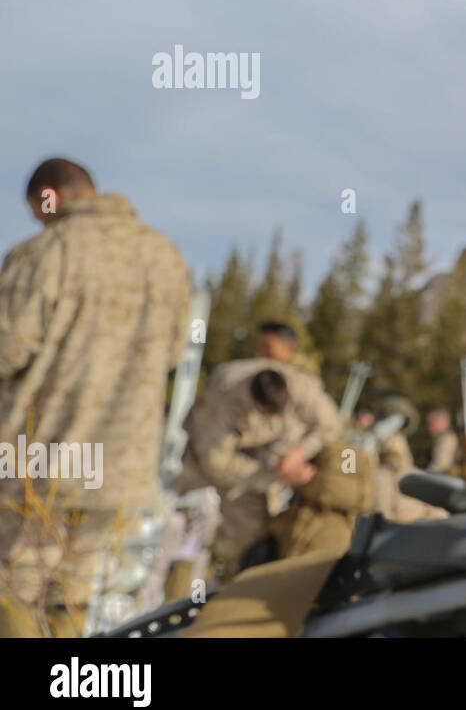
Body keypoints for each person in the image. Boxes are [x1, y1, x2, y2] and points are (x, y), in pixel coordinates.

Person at [0, 158, 191, 636]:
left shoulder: (47, 251)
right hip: (118, 467)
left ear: (50, 197)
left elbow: (7, 348)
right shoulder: (164, 256)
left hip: (39, 459)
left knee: (14, 586)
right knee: (74, 590)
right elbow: (171, 352)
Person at [179, 363, 342, 582]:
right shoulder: (222, 401)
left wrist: (299, 454)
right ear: (250, 396)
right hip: (213, 466)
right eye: (266, 413)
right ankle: (210, 579)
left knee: (266, 531)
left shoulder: (299, 387)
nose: (273, 419)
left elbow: (331, 426)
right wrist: (276, 476)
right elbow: (218, 465)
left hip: (267, 461)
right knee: (226, 536)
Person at [426, 408, 460, 475]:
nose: (429, 427)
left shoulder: (446, 439)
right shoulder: (445, 438)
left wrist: (425, 475)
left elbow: (441, 464)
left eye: (432, 423)